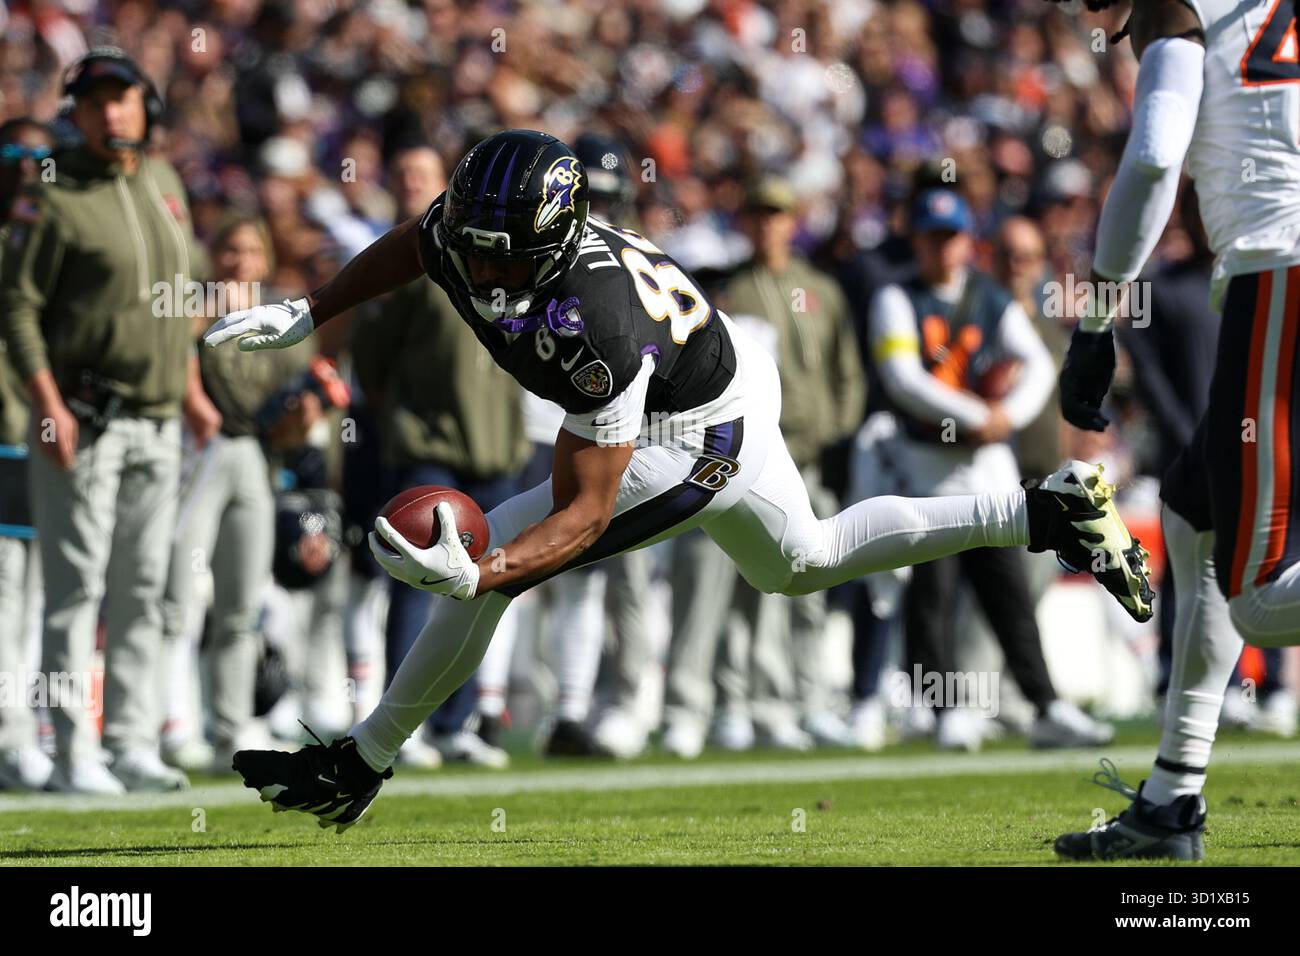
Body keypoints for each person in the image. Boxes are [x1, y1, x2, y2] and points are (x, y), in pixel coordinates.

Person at [203, 129, 1153, 831]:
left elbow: (580, 513)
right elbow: (419, 245)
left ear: (554, 240)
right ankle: (1046, 509)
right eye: (475, 244)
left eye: (503, 253)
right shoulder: (472, 229)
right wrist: (310, 308)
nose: (483, 267)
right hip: (719, 369)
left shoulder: (591, 324)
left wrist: (485, 574)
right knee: (801, 558)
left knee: (494, 550)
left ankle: (365, 758)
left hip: (688, 419)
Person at [1052, 0, 1300, 860]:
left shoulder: (1176, 7)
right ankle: (1169, 800)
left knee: (1262, 602)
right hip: (1280, 263)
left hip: (1281, 269)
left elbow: (1157, 153)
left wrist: (1097, 315)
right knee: (1194, 511)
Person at [0, 48, 219, 793]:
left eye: (121, 98)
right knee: (74, 591)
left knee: (143, 587)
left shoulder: (164, 181)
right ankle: (71, 752)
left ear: (146, 107)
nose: (110, 112)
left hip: (159, 418)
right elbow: (18, 306)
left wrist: (190, 388)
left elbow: (180, 296)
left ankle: (129, 740)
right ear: (75, 113)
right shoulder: (52, 191)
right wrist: (48, 405)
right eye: (94, 102)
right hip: (84, 419)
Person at [871, 188, 1113, 751]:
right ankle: (943, 707)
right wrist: (978, 414)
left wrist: (1003, 417)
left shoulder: (988, 295)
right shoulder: (897, 297)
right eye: (932, 238)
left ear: (965, 240)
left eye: (950, 237)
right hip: (927, 467)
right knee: (934, 592)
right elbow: (903, 377)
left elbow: (1035, 367)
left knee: (1009, 597)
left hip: (987, 470)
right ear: (918, 242)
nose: (942, 249)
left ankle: (1047, 705)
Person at [351, 142, 525, 769]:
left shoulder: (503, 244)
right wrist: (399, 417)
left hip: (498, 443)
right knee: (417, 580)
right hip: (430, 443)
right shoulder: (403, 262)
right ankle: (404, 725)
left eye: (425, 174)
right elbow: (370, 359)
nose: (414, 184)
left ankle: (457, 721)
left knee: (484, 583)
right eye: (403, 174)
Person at [0, 118, 54, 791]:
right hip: (8, 433)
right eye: (13, 156)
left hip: (52, 434)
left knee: (44, 593)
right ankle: (12, 735)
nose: (25, 170)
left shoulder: (49, 242)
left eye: (37, 159)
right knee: (9, 591)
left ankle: (26, 730)